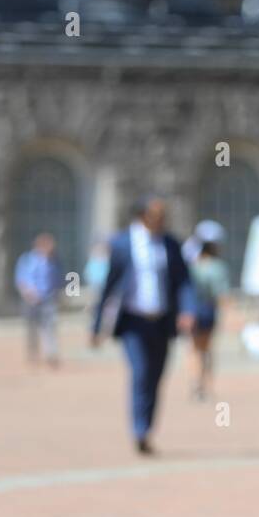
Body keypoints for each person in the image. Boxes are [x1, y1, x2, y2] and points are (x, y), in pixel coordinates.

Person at [91, 195, 191, 455]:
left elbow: (183, 282)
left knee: (156, 376)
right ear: (142, 216)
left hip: (161, 322)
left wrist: (187, 310)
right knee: (141, 372)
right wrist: (97, 325)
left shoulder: (170, 244)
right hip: (133, 323)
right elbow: (108, 287)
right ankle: (139, 430)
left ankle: (146, 428)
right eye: (157, 216)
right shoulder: (123, 244)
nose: (162, 221)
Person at [183, 235, 232, 401]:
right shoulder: (218, 267)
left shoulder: (192, 266)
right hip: (209, 310)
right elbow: (222, 293)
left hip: (193, 310)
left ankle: (195, 383)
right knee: (207, 349)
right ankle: (208, 384)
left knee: (194, 348)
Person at [14, 233, 64, 367]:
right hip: (31, 299)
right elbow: (21, 279)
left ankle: (51, 353)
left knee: (50, 326)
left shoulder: (54, 260)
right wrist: (29, 293)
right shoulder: (27, 260)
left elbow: (58, 279)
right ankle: (33, 353)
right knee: (32, 328)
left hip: (48, 298)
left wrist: (60, 295)